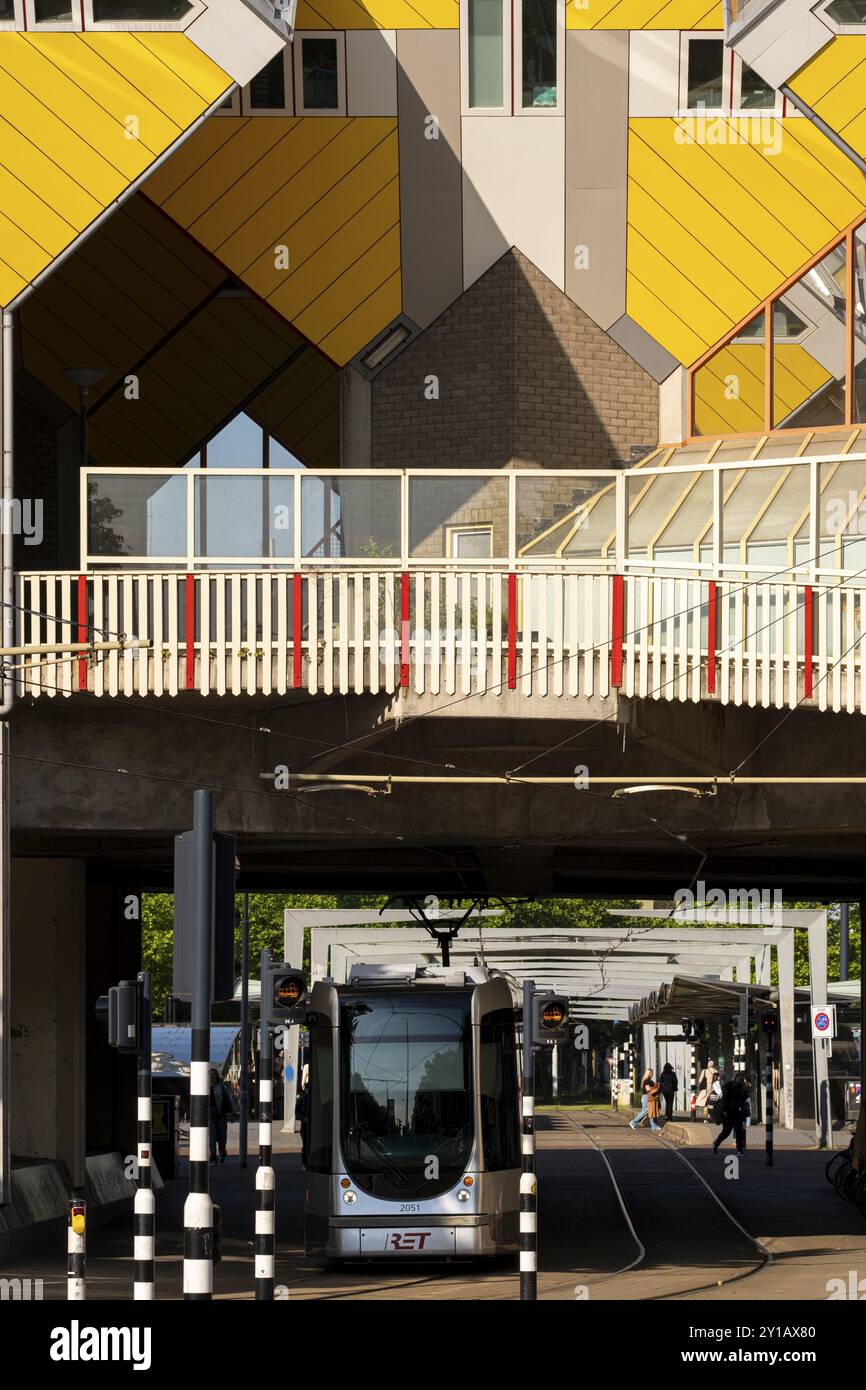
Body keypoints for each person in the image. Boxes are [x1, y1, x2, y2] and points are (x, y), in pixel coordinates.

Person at [712, 1073, 750, 1155]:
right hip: (728, 1112)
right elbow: (725, 1098)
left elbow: (745, 1098)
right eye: (739, 1079)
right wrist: (724, 1111)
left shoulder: (742, 1087)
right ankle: (716, 1143)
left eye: (742, 1079)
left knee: (739, 1131)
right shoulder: (729, 1085)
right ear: (735, 1078)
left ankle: (739, 1150)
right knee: (726, 1132)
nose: (741, 1080)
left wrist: (745, 1090)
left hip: (737, 1113)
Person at [209, 1066, 236, 1165]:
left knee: (222, 1137)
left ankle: (222, 1153)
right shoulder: (204, 1088)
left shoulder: (222, 1087)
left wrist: (233, 1113)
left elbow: (230, 1100)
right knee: (212, 1138)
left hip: (221, 1115)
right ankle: (213, 1158)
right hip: (210, 1116)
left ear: (217, 1076)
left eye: (213, 1075)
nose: (212, 1077)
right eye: (210, 1075)